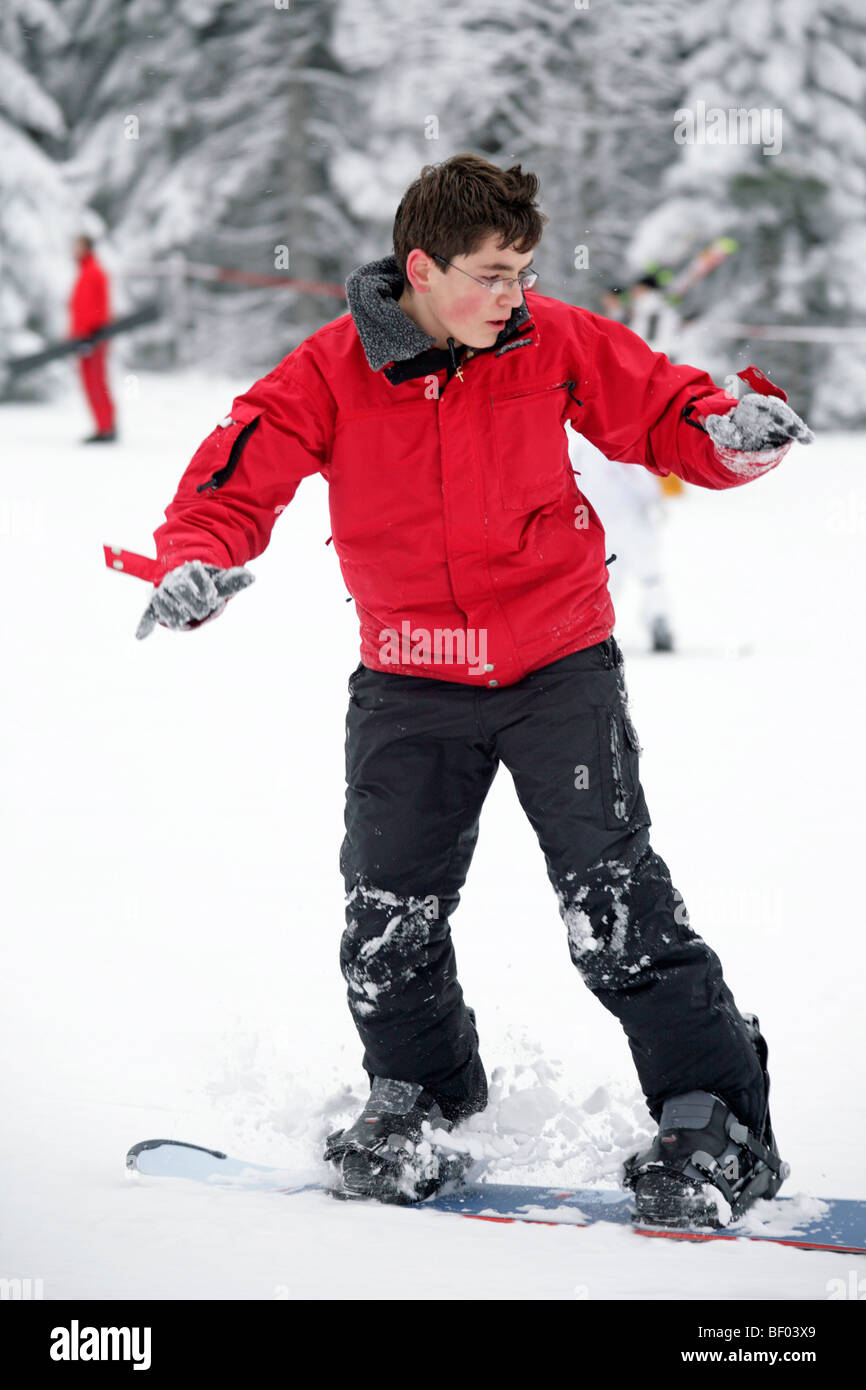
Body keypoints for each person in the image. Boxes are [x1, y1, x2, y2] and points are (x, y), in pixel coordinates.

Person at [131, 154, 812, 1227]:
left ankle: (710, 1116)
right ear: (421, 268)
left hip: (555, 665)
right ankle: (422, 1101)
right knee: (386, 915)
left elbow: (664, 411)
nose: (512, 296)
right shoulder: (327, 371)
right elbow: (234, 474)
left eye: (524, 272)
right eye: (491, 275)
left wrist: (727, 437)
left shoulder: (551, 342)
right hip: (408, 678)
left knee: (613, 901)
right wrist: (193, 559)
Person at [69, 235, 116, 443]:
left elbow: (96, 309)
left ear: (87, 247)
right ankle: (103, 426)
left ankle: (106, 428)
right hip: (85, 338)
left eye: (77, 246)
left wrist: (90, 336)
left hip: (92, 338)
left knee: (96, 383)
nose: (74, 250)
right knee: (91, 383)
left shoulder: (93, 272)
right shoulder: (86, 271)